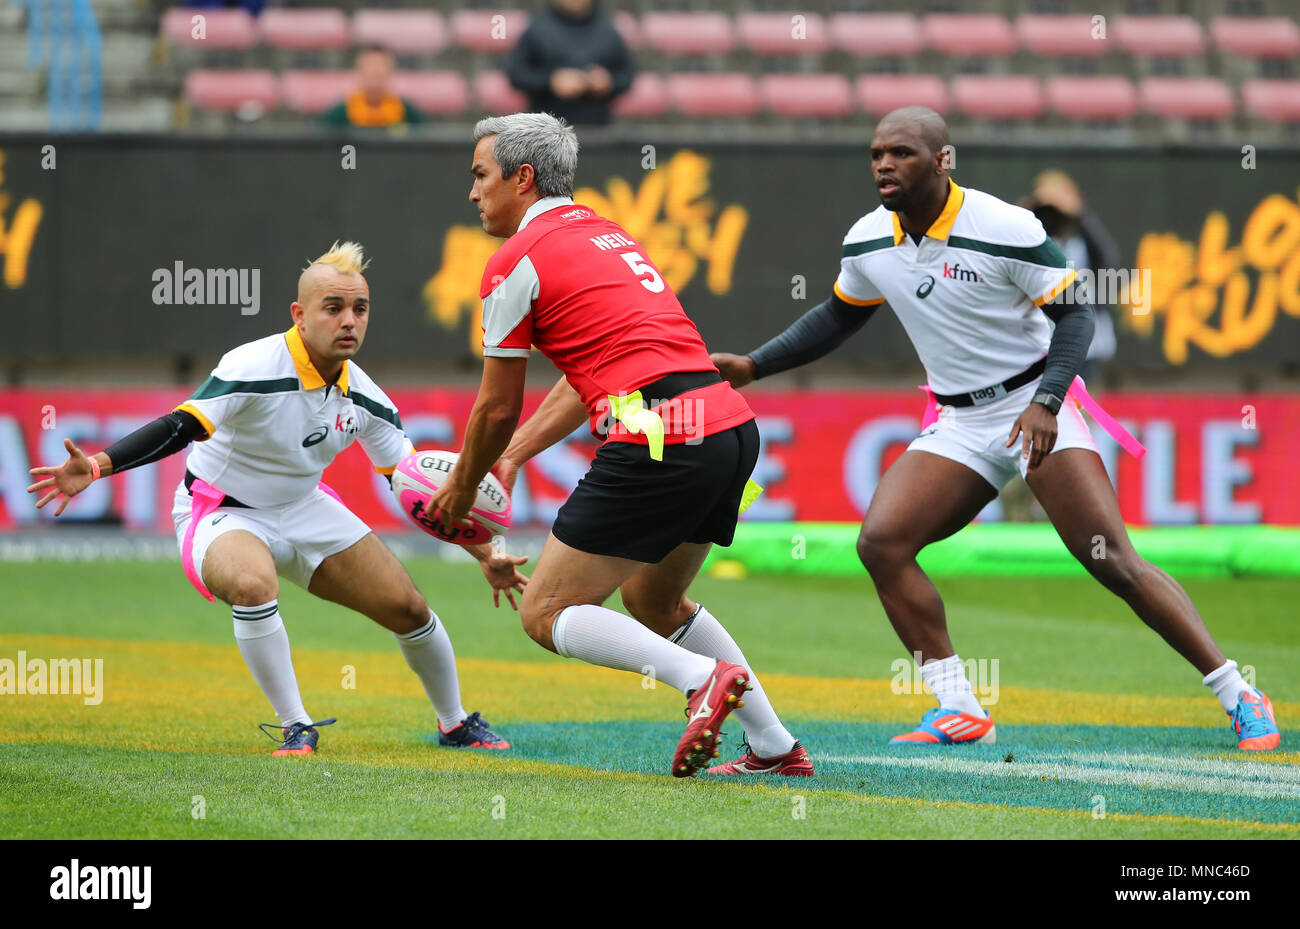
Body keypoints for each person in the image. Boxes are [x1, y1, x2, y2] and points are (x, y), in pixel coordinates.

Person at [710, 106, 1280, 752]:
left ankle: (1240, 693)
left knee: (1112, 560)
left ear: (943, 160)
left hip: (1038, 401)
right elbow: (839, 316)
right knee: (882, 542)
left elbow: (1075, 318)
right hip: (961, 417)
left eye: (902, 152)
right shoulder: (868, 238)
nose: (885, 165)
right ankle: (958, 704)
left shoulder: (1005, 226)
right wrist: (756, 364)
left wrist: (1047, 400)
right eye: (876, 154)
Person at [427, 113, 812, 778]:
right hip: (727, 428)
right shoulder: (606, 234)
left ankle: (700, 679)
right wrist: (513, 459)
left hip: (663, 436)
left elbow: (494, 405)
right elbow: (587, 380)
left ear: (522, 178)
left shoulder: (513, 261)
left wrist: (462, 489)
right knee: (653, 602)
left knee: (547, 609)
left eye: (480, 176)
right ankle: (776, 745)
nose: (472, 193)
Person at [28, 242, 523, 755]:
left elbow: (423, 491)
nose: (349, 320)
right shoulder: (253, 365)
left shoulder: (368, 398)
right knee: (251, 582)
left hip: (305, 507)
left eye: (360, 308)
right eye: (333, 308)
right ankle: (295, 726)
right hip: (222, 510)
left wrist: (488, 554)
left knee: (409, 607)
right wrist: (96, 466)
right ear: (300, 314)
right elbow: (180, 426)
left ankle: (455, 723)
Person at [1021, 170, 1122, 385]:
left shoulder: (1083, 235)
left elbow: (1107, 260)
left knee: (1083, 405)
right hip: (1042, 337)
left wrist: (1077, 213)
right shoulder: (1032, 231)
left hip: (1087, 338)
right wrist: (1027, 212)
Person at [506, 0, 634, 126]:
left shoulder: (608, 30)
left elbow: (627, 75)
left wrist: (608, 81)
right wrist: (551, 81)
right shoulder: (536, 28)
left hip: (598, 127)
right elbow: (516, 74)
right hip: (546, 128)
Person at [321, 45, 424, 130]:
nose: (375, 71)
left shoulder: (408, 115)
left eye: (381, 68)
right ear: (359, 72)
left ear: (390, 72)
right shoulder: (338, 116)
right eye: (370, 67)